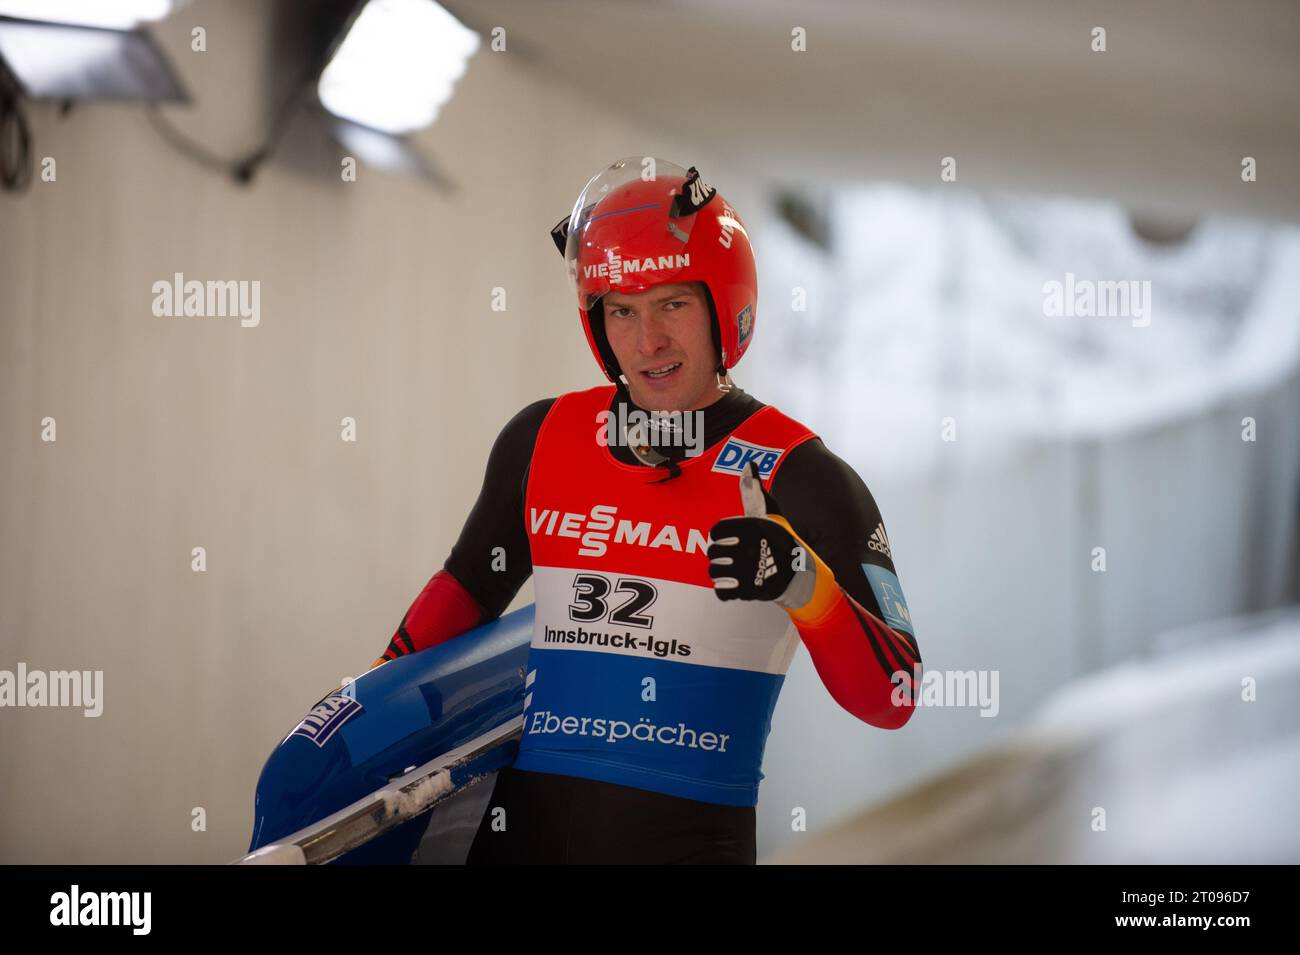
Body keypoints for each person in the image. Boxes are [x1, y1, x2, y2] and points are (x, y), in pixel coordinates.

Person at [370, 157, 921, 864]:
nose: (646, 341)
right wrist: (361, 711)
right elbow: (464, 590)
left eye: (672, 304)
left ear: (724, 305)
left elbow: (894, 695)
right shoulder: (542, 440)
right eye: (621, 311)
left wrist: (803, 584)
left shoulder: (802, 475)